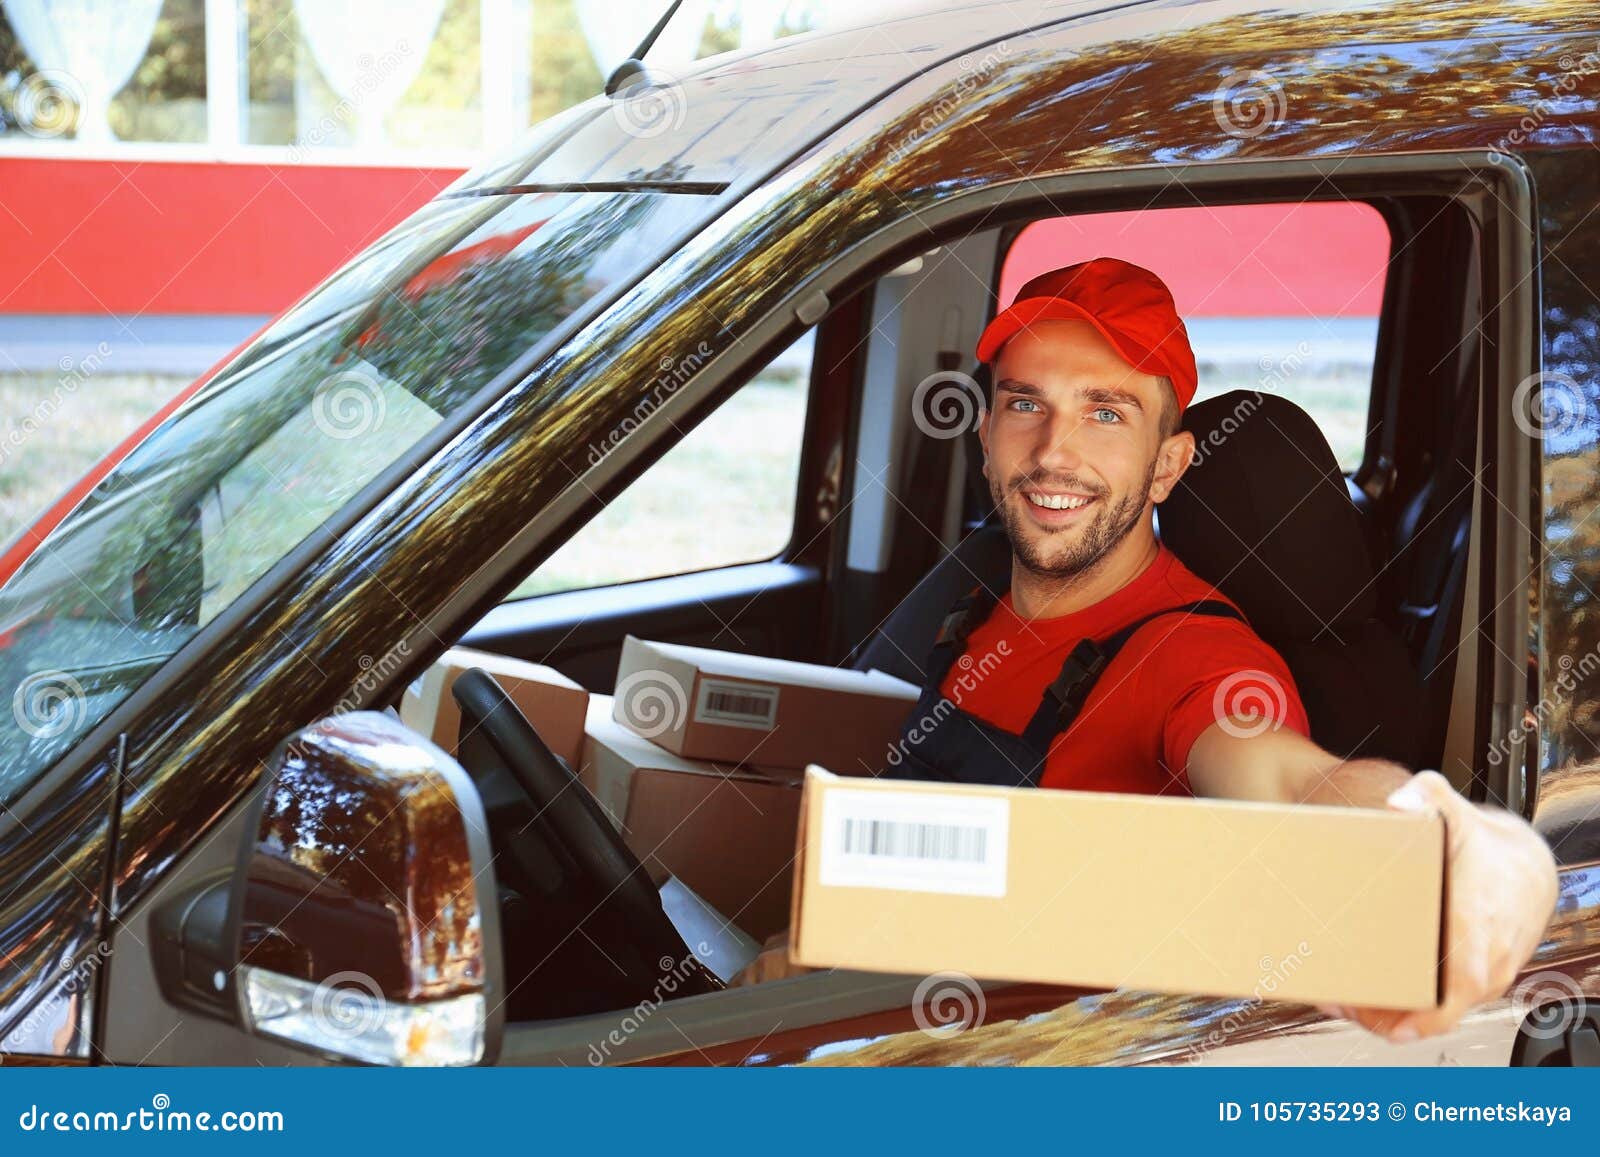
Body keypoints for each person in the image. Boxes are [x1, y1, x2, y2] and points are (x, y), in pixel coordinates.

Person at [735, 257, 1557, 1045]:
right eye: (1026, 404)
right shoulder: (977, 606)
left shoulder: (1199, 660)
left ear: (1167, 465)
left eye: (1106, 413)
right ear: (985, 434)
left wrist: (1460, 850)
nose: (1055, 451)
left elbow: (1294, 781)